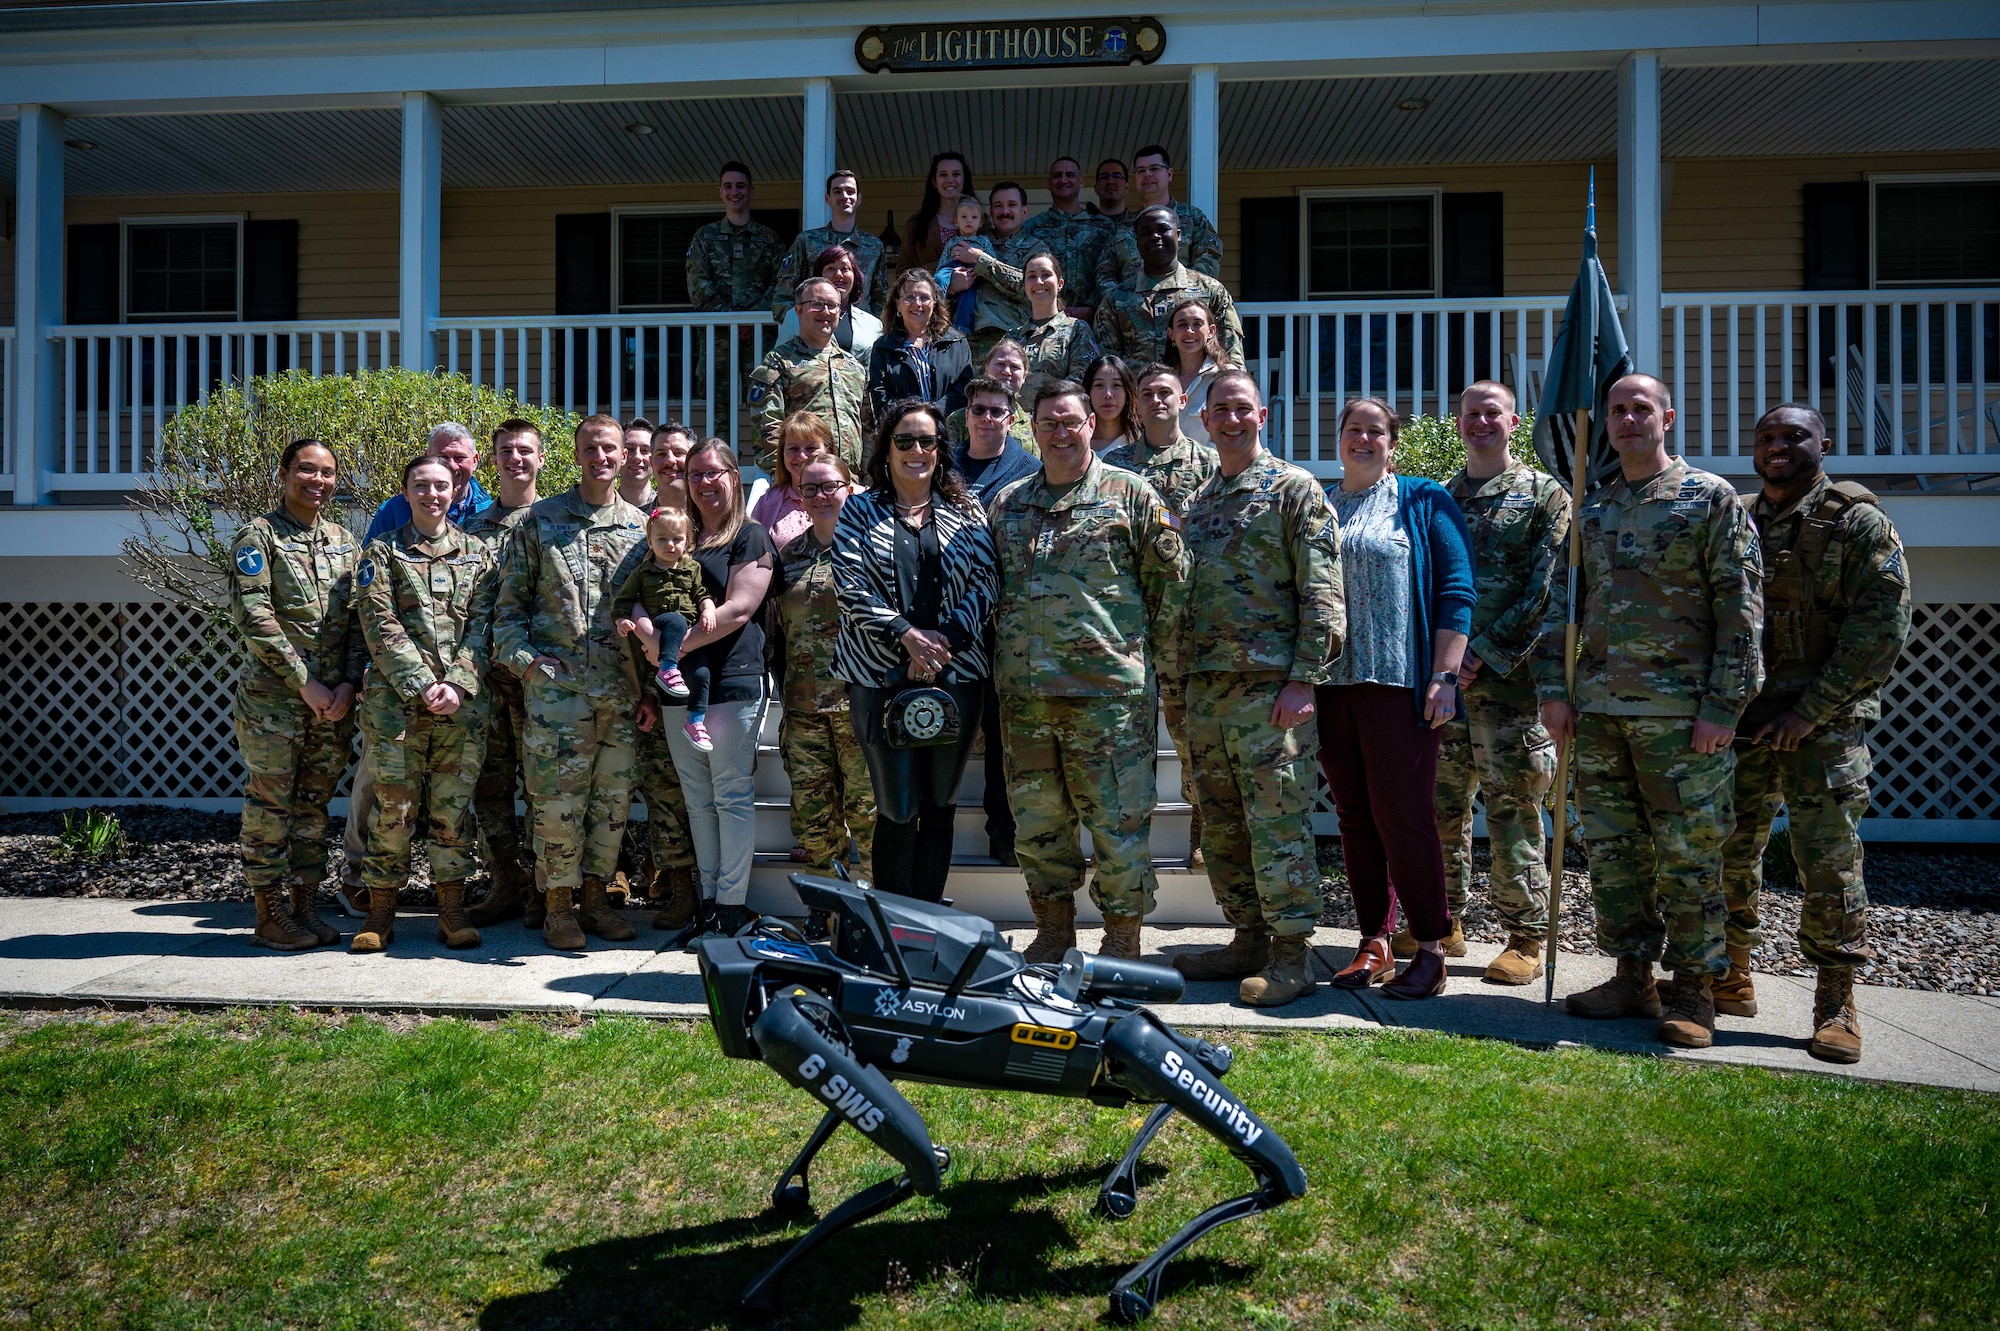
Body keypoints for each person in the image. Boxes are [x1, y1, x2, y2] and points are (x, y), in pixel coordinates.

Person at [1546, 373, 1764, 1049]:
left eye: (1641, 408)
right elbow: (1562, 606)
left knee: (1689, 856)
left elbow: (1741, 609)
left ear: (1667, 418)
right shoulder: (1594, 508)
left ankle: (1695, 988)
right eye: (1617, 410)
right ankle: (1632, 975)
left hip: (1682, 717)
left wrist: (1724, 705)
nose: (1628, 419)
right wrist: (1554, 690)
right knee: (1616, 855)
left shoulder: (1709, 498)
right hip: (1601, 713)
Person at [1719, 403, 1910, 1062]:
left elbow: (1879, 631)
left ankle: (1836, 1002)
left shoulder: (1859, 522)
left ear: (1823, 443)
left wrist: (1809, 713)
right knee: (1726, 850)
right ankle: (1731, 976)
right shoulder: (1738, 518)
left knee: (1828, 864)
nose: (1778, 446)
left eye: (1794, 436)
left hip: (1822, 725)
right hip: (1743, 720)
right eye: (1767, 437)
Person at [991, 380, 1187, 962]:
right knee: (1038, 824)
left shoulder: (1132, 495)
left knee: (1117, 823)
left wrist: (1137, 658)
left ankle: (1122, 938)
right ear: (1032, 429)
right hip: (1026, 698)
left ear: (1091, 424)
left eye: (1070, 421)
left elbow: (1172, 587)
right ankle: (1053, 931)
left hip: (1109, 700)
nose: (1060, 432)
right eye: (1048, 422)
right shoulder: (1008, 504)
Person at [1172, 371, 1346, 1008]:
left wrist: (1304, 679)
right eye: (1220, 410)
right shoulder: (1200, 500)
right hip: (1206, 691)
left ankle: (1293, 954)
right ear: (1205, 420)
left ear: (1263, 415)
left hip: (1272, 692)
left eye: (1241, 408)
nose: (1231, 419)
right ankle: (1247, 937)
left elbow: (1323, 591)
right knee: (1221, 825)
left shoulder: (1294, 490)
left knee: (1277, 823)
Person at [1316, 398, 1475, 1002]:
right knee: (1354, 817)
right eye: (1353, 429)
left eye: (1375, 431)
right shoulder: (1320, 503)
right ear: (1339, 438)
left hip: (1399, 685)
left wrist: (1445, 675)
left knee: (1403, 815)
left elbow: (1457, 589)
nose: (1363, 439)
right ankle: (1374, 940)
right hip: (1332, 686)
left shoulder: (1423, 499)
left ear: (1393, 443)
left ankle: (1431, 947)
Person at [1420, 382, 1568, 984]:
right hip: (1443, 686)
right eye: (1470, 414)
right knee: (1440, 808)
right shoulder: (1439, 496)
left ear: (1513, 422)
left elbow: (1547, 588)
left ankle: (1524, 937)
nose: (1480, 422)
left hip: (1511, 688)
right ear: (1458, 423)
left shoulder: (1544, 495)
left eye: (1492, 413)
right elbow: (1425, 582)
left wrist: (1480, 654)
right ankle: (1444, 922)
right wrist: (1443, 662)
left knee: (1513, 811)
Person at [492, 414, 650, 951]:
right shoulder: (540, 521)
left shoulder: (641, 527)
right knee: (557, 806)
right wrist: (528, 664)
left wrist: (650, 690)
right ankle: (558, 907)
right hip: (557, 696)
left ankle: (597, 900)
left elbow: (657, 608)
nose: (601, 457)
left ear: (624, 456)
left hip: (620, 693)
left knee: (612, 804)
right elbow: (508, 611)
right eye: (590, 448)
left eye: (610, 449)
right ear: (576, 454)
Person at [832, 400, 998, 904]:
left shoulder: (967, 510)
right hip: (879, 676)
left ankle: (927, 925)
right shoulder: (859, 509)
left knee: (940, 804)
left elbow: (987, 582)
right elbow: (850, 586)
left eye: (927, 441)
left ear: (940, 449)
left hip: (958, 673)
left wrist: (943, 643)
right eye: (904, 440)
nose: (916, 450)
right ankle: (894, 924)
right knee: (897, 805)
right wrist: (907, 635)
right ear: (886, 449)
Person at [340, 420, 493, 915]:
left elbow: (485, 625)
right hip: (398, 706)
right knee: (393, 809)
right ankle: (380, 914)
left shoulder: (479, 553)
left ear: (457, 489)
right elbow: (377, 621)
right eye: (421, 485)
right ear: (405, 493)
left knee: (452, 810)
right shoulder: (382, 551)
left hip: (460, 706)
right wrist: (424, 684)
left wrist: (459, 682)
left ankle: (451, 911)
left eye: (441, 485)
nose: (432, 493)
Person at [228, 439, 365, 950]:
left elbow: (359, 620)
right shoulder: (258, 538)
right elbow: (254, 617)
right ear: (284, 472)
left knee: (313, 806)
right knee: (271, 805)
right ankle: (269, 914)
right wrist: (303, 682)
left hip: (332, 704)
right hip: (276, 702)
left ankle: (304, 907)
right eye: (307, 470)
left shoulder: (344, 542)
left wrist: (348, 683)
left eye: (327, 473)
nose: (318, 481)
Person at [637, 439, 776, 940]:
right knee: (698, 799)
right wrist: (652, 643)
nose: (703, 482)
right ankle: (710, 902)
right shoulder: (678, 536)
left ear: (733, 476)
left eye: (713, 472)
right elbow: (639, 591)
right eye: (695, 474)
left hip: (733, 680)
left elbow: (739, 609)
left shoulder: (751, 536)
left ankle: (732, 907)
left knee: (730, 794)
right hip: (678, 686)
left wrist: (669, 650)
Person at [1104, 362, 1220, 866]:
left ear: (1183, 401)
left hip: (1185, 624)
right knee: (1123, 741)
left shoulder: (1209, 464)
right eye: (1147, 392)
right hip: (1126, 621)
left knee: (1191, 738)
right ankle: (1122, 843)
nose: (1157, 400)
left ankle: (1202, 834)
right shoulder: (1115, 466)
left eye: (1165, 392)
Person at [773, 453, 876, 877]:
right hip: (804, 711)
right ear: (799, 496)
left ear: (849, 489)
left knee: (871, 815)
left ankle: (878, 902)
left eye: (830, 486)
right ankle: (828, 903)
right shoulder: (787, 557)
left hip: (861, 708)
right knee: (814, 823)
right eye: (810, 488)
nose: (821, 496)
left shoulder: (874, 549)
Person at [461, 419, 547, 929]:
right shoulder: (472, 530)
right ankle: (505, 882)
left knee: (542, 786)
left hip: (538, 679)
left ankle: (542, 886)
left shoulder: (554, 521)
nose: (516, 459)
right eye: (506, 451)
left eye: (525, 450)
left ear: (541, 458)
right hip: (486, 679)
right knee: (489, 786)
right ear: (492, 460)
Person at [953, 374, 1041, 865]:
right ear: (966, 416)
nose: (987, 418)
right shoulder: (945, 467)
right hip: (953, 620)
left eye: (997, 411)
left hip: (1008, 620)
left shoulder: (1029, 470)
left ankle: (1004, 832)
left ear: (1012, 418)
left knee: (1003, 728)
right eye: (979, 410)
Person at [632, 423, 701, 930]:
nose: (670, 461)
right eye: (662, 453)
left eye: (680, 453)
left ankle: (714, 886)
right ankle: (678, 887)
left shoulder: (714, 514)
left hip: (714, 680)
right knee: (664, 788)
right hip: (658, 680)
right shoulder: (641, 527)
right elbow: (631, 598)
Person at [617, 506, 719, 751]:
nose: (670, 545)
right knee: (675, 620)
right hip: (661, 624)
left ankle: (695, 722)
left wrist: (708, 610)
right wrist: (621, 620)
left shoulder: (692, 569)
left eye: (677, 539)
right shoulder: (643, 572)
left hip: (688, 633)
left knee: (702, 674)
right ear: (650, 542)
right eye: (662, 539)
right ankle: (667, 670)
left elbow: (701, 594)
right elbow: (624, 600)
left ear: (687, 542)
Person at [1095, 206, 1244, 367]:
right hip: (1138, 383)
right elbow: (1107, 366)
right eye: (1145, 232)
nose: (1154, 236)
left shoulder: (1211, 291)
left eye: (1162, 229)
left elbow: (1232, 360)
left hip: (1197, 383)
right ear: (1137, 242)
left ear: (1178, 235)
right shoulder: (1116, 300)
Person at [750, 276, 868, 472]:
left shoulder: (854, 367)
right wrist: (783, 475)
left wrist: (869, 476)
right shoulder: (779, 362)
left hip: (850, 481)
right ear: (798, 310)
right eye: (817, 304)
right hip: (802, 481)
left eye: (832, 305)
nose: (826, 311)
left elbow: (868, 428)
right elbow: (767, 425)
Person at [941, 180, 1049, 363]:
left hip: (1009, 340)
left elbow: (1033, 288)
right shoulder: (971, 238)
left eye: (1012, 205)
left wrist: (982, 261)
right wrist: (951, 286)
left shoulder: (1035, 249)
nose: (1005, 211)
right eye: (998, 206)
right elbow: (941, 277)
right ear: (990, 212)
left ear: (1024, 211)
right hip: (963, 340)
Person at [1095, 145, 1224, 290]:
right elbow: (1104, 273)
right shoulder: (1123, 227)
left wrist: (1186, 295)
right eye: (1141, 170)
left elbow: (1209, 258)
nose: (1147, 174)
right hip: (1132, 303)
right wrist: (1120, 298)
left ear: (1169, 174)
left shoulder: (1193, 219)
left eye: (1154, 168)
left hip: (1183, 301)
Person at [772, 169, 888, 322]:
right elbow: (783, 297)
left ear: (859, 198)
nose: (844, 196)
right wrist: (801, 325)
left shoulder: (874, 246)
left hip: (860, 331)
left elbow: (881, 298)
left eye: (850, 191)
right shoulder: (807, 241)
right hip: (816, 328)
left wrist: (874, 327)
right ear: (828, 199)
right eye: (837, 191)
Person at [868, 266, 975, 425]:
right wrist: (913, 421)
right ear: (898, 304)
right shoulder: (883, 348)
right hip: (903, 432)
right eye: (909, 297)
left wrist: (933, 415)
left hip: (949, 431)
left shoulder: (957, 343)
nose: (917, 304)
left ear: (934, 303)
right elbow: (881, 398)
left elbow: (965, 389)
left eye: (924, 297)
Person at [363, 421, 492, 543]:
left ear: (475, 461)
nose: (452, 466)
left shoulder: (491, 512)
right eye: (442, 457)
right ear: (426, 458)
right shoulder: (393, 511)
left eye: (460, 458)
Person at [686, 161, 785, 315]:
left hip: (760, 325)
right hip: (716, 327)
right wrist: (727, 319)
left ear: (751, 190)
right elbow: (697, 283)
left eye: (740, 186)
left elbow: (781, 283)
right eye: (728, 186)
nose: (734, 192)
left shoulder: (770, 239)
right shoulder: (704, 237)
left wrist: (751, 319)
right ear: (720, 192)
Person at [1024, 156, 1112, 317]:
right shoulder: (1032, 227)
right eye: (1057, 175)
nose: (1063, 180)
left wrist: (1091, 307)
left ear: (1081, 182)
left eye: (1070, 175)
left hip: (1096, 318)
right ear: (1048, 183)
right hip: (1045, 317)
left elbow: (1111, 271)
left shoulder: (1104, 227)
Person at [1010, 252, 1101, 408]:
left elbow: (1081, 382)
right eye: (1031, 276)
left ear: (1060, 283)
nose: (1039, 281)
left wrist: (1045, 413)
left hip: (1058, 418)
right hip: (1015, 421)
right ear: (1024, 285)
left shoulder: (1077, 330)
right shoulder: (1012, 338)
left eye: (1046, 275)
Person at [775, 246, 885, 367]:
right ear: (819, 276)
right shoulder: (796, 316)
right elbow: (779, 360)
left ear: (855, 276)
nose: (838, 274)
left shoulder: (872, 324)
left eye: (845, 268)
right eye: (831, 268)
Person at [751, 409, 838, 552]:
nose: (802, 456)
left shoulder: (853, 497)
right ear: (782, 453)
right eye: (793, 448)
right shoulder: (767, 503)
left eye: (811, 448)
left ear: (828, 450)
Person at [945, 340, 1037, 457]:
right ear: (986, 369)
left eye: (1014, 367)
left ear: (1024, 376)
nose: (1006, 371)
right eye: (1000, 364)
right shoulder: (959, 420)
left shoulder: (1032, 424)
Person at [1164, 297, 1232, 445]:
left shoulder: (1227, 378)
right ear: (1171, 334)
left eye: (1197, 324)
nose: (1189, 331)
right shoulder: (1161, 380)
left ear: (1211, 331)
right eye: (1182, 325)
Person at [901, 151, 974, 280]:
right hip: (927, 293)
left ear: (964, 180)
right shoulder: (916, 225)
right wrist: (946, 277)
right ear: (935, 182)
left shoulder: (980, 222)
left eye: (956, 174)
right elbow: (901, 274)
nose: (950, 180)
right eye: (943, 175)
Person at [936, 193, 992, 335]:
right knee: (939, 278)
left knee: (967, 299)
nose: (969, 221)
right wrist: (942, 274)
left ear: (981, 222)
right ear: (956, 221)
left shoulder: (983, 241)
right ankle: (936, 308)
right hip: (952, 268)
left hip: (973, 272)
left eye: (974, 217)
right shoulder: (953, 241)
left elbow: (992, 261)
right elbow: (943, 262)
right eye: (964, 217)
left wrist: (980, 257)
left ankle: (962, 327)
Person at [1084, 355, 1143, 456]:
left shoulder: (1142, 442)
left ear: (1127, 392)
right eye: (1099, 385)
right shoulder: (1076, 442)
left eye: (1116, 385)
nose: (1108, 394)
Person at [618, 416, 657, 509]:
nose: (637, 457)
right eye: (630, 449)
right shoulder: (601, 508)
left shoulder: (667, 511)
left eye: (645, 450)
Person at [1090, 158, 1132, 228]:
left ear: (1126, 187)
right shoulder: (1082, 226)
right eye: (1104, 177)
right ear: (1096, 188)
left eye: (1117, 176)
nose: (1110, 181)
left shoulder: (1140, 225)